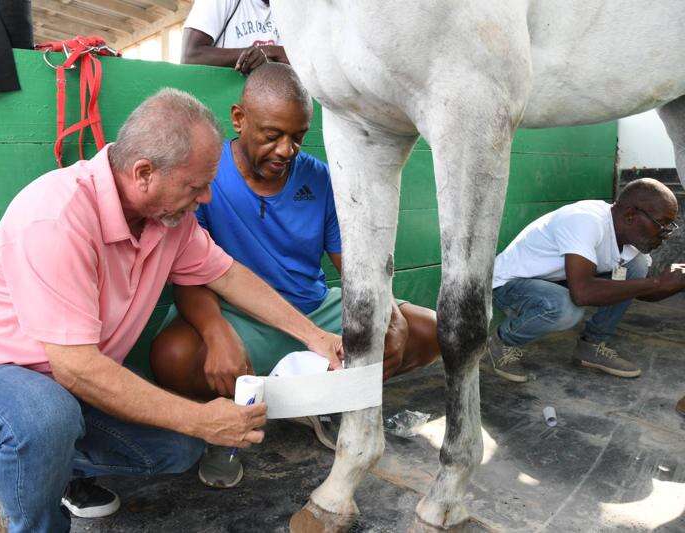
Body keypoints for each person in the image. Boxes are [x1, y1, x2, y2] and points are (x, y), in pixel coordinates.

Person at [0, 89, 342, 532]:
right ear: (143, 172)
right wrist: (202, 418)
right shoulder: (56, 217)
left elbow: (228, 276)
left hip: (69, 390)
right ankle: (37, 512)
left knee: (180, 449)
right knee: (45, 419)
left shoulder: (168, 219)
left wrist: (314, 336)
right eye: (195, 186)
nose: (204, 199)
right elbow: (76, 368)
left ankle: (58, 467)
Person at [151, 64, 441, 488]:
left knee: (431, 330)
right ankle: (228, 425)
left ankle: (324, 399)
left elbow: (353, 265)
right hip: (240, 318)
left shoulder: (319, 178)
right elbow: (190, 273)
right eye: (272, 135)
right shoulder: (209, 176)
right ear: (238, 118)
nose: (287, 149)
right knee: (173, 355)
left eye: (298, 137)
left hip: (313, 310)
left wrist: (388, 314)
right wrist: (216, 331)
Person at [486, 178, 685, 382]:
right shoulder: (585, 221)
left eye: (671, 226)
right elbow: (582, 294)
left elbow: (641, 292)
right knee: (566, 307)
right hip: (512, 282)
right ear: (630, 215)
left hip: (559, 280)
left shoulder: (626, 236)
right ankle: (502, 342)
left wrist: (674, 282)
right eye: (662, 224)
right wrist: (657, 283)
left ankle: (591, 345)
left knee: (637, 266)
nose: (666, 234)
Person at [181, 0, 289, 74]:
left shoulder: (289, 7)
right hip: (225, 95)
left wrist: (268, 51)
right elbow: (190, 55)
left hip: (272, 96)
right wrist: (256, 56)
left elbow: (295, 58)